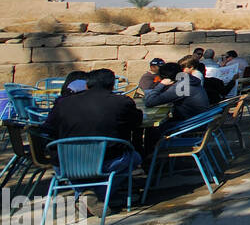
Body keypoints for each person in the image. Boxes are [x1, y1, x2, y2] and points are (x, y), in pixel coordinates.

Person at [41, 68, 143, 216]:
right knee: (134, 157)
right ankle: (94, 195)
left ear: (87, 85)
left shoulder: (63, 103)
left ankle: (84, 194)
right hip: (106, 161)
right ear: (112, 86)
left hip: (67, 163)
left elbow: (48, 129)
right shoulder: (122, 102)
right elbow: (136, 121)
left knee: (68, 165)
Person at [143, 59, 211, 123]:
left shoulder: (181, 88)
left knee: (154, 129)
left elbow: (149, 102)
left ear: (167, 79)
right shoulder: (189, 80)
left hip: (192, 124)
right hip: (200, 120)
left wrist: (161, 84)